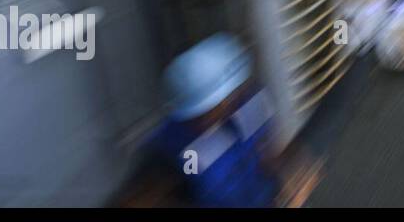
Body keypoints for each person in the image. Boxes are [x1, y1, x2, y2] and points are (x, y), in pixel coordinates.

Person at [121, 34, 320, 207]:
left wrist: (294, 174)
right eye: (193, 116)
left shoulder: (249, 103)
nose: (200, 120)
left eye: (206, 111)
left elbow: (269, 149)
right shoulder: (166, 153)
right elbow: (139, 200)